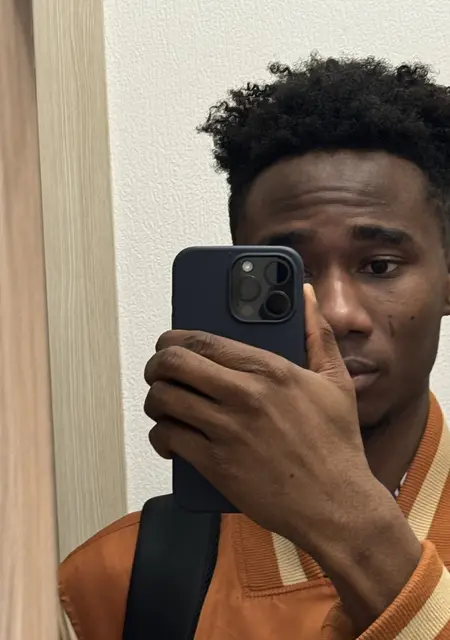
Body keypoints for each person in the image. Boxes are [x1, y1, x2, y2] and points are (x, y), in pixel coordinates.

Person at [59, 55, 450, 639]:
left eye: (380, 265)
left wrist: (350, 526)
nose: (337, 312)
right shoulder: (109, 583)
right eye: (292, 273)